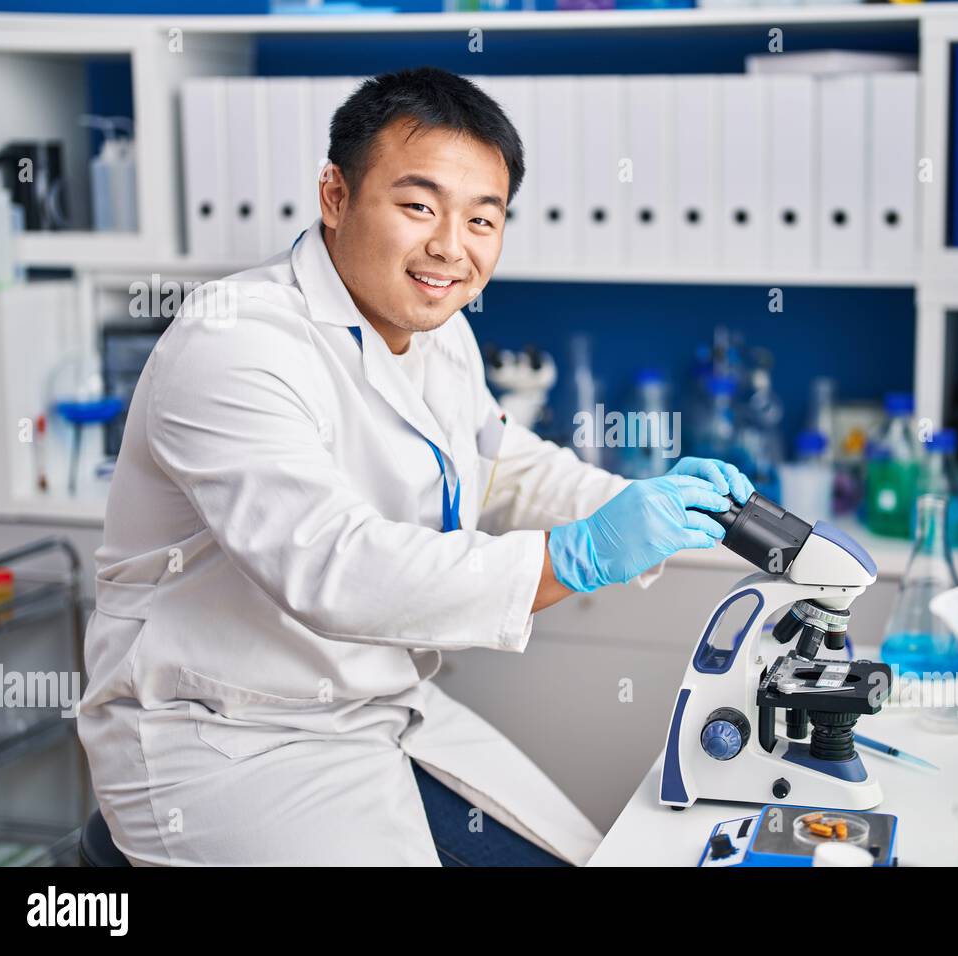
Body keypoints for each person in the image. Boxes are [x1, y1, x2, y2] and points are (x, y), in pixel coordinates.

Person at [77, 67, 752, 866]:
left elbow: (501, 466)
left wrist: (648, 504)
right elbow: (332, 564)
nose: (450, 248)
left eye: (482, 220)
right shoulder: (234, 342)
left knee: (582, 858)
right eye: (418, 207)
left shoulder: (436, 331)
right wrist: (580, 555)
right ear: (335, 195)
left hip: (374, 706)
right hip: (224, 741)